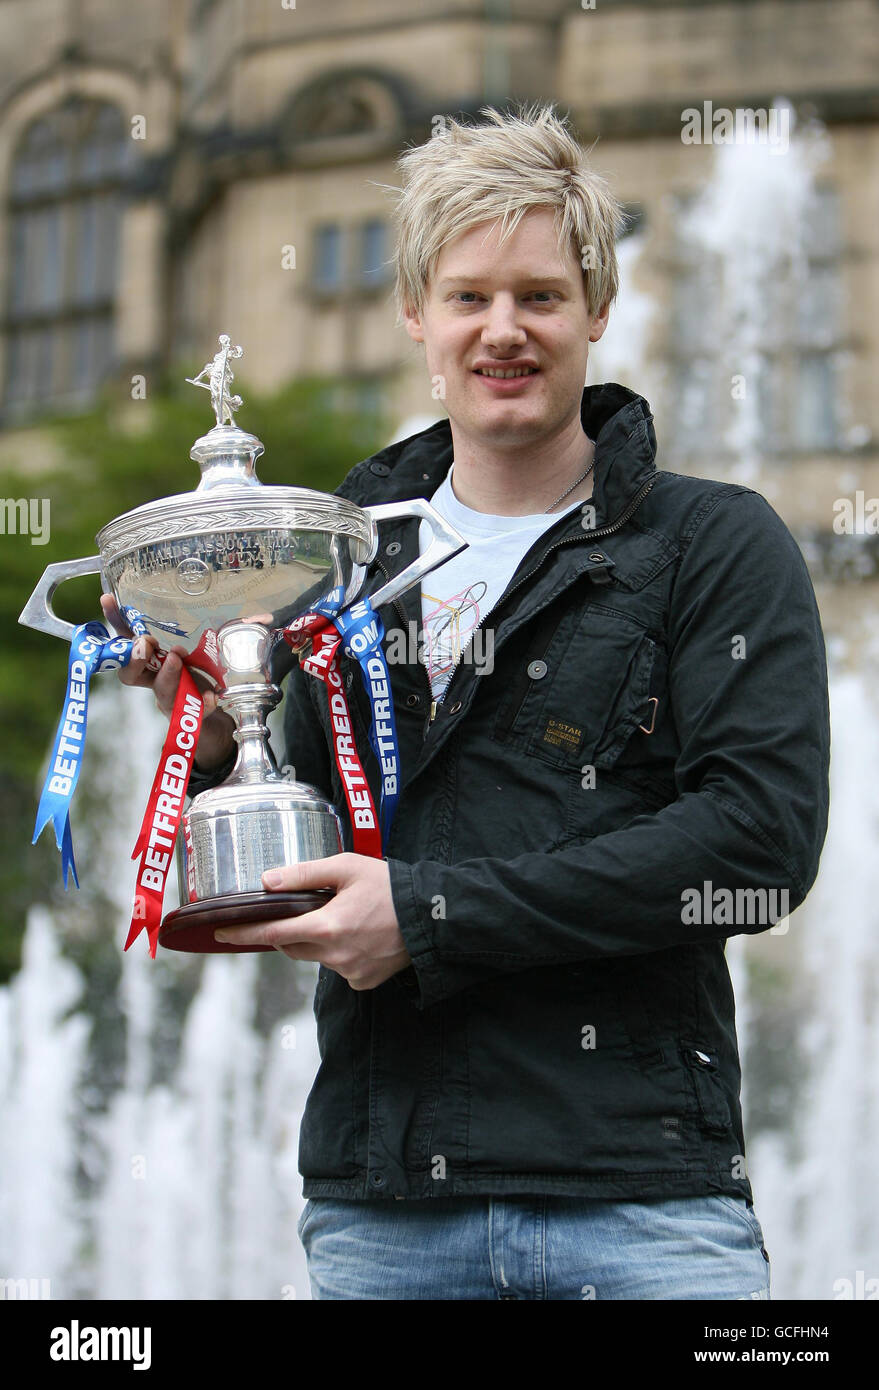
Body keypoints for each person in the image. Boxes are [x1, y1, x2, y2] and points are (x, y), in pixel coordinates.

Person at [102, 104, 830, 1300]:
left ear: (599, 309)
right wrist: (221, 713)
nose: (505, 330)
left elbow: (759, 845)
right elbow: (307, 852)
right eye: (469, 296)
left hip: (645, 1206)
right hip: (381, 1210)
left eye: (541, 296)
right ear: (417, 315)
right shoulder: (333, 559)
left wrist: (428, 914)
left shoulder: (714, 543)